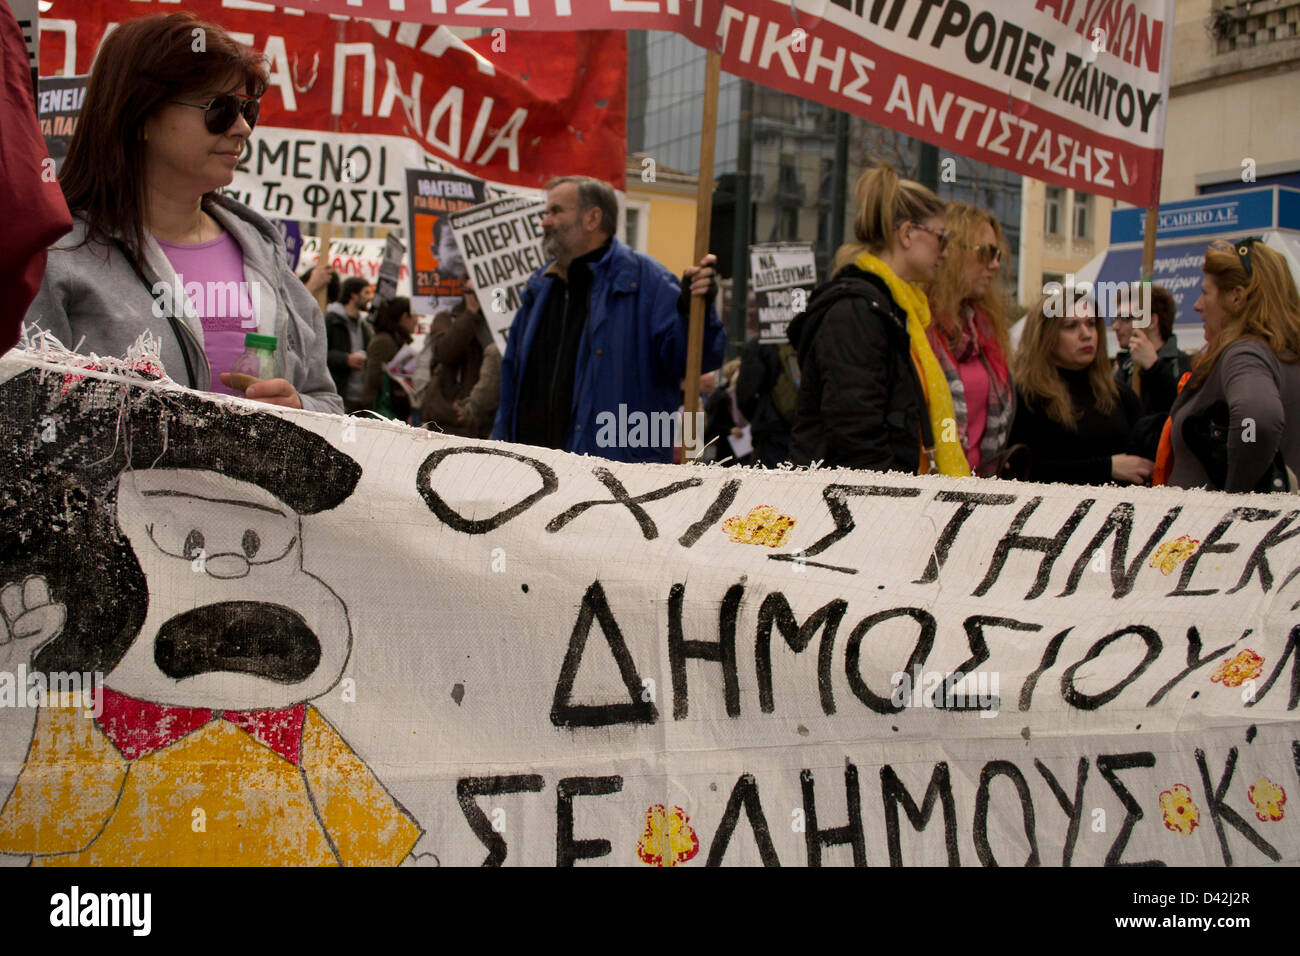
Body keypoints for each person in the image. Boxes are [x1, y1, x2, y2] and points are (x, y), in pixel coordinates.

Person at [22, 13, 340, 412]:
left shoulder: (265, 253)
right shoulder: (58, 256)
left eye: (248, 110)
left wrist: (299, 410)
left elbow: (328, 402)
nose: (242, 128)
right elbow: (23, 419)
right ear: (140, 117)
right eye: (220, 109)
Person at [492, 176, 725, 464]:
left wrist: (692, 311)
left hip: (613, 481)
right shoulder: (540, 287)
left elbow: (692, 359)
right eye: (546, 213)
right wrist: (499, 454)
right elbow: (512, 382)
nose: (545, 222)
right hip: (532, 477)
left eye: (555, 211)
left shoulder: (646, 282)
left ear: (592, 218)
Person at [787, 164, 968, 475]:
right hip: (869, 509)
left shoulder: (900, 311)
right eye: (942, 238)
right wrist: (891, 507)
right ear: (908, 233)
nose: (946, 253)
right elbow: (855, 432)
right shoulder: (857, 312)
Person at [1167, 238, 1300, 492]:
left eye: (1206, 293)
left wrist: (1240, 491)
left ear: (1236, 297)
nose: (1197, 305)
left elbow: (1257, 419)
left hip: (1231, 526)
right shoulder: (1284, 354)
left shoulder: (1245, 353)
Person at [1008, 291, 1151, 485]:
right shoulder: (1027, 396)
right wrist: (1105, 468)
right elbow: (1026, 469)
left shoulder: (1117, 392)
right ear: (1046, 335)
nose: (1086, 334)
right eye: (1071, 326)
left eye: (1091, 324)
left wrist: (1156, 372)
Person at [922, 201, 1015, 476]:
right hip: (929, 489)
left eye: (997, 254)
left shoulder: (984, 329)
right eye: (986, 252)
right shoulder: (920, 325)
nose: (996, 264)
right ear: (950, 251)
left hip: (979, 491)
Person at [1111, 284, 1190, 459]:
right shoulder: (1123, 369)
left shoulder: (1184, 365)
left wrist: (1154, 368)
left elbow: (1182, 418)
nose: (1116, 326)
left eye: (1125, 318)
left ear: (1152, 321)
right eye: (1115, 319)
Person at [420, 287, 496, 438]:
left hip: (490, 419)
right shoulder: (447, 319)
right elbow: (445, 353)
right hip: (455, 419)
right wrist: (470, 312)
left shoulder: (498, 320)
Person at [361, 296, 415, 421]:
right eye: (415, 316)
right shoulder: (384, 342)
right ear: (404, 317)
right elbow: (372, 381)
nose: (417, 320)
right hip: (381, 414)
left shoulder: (396, 340)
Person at [326, 276, 373, 412]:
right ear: (353, 295)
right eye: (365, 292)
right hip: (338, 394)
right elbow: (319, 354)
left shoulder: (364, 326)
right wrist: (346, 359)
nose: (369, 297)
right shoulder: (331, 320)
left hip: (358, 398)